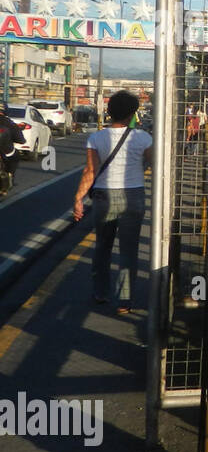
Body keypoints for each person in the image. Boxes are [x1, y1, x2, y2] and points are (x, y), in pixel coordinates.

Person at [73, 90, 153, 314]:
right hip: (133, 196)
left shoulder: (96, 138)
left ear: (109, 113)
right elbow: (154, 166)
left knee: (103, 247)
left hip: (104, 197)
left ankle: (100, 293)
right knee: (128, 250)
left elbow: (90, 171)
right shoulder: (144, 138)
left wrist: (78, 199)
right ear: (132, 114)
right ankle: (125, 301)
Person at [0, 110, 25, 196]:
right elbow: (21, 140)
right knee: (15, 156)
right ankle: (9, 176)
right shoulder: (10, 124)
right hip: (6, 151)